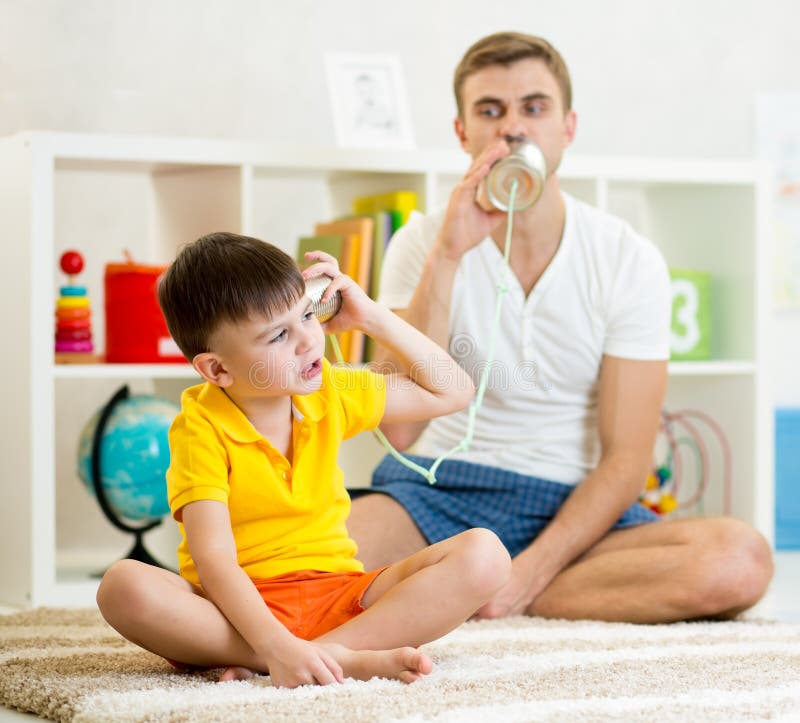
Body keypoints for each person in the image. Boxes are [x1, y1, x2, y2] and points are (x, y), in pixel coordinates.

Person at [347, 31, 773, 624]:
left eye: (535, 107)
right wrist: (448, 255)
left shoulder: (627, 257)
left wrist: (528, 572)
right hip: (436, 497)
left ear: (567, 128)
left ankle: (479, 589)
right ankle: (477, 580)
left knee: (739, 560)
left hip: (575, 513)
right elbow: (398, 428)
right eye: (490, 111)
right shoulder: (421, 243)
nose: (513, 128)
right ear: (462, 132)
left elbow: (627, 461)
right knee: (308, 558)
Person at [96, 232, 510, 688]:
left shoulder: (329, 391)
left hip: (340, 591)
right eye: (278, 335)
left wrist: (371, 316)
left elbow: (454, 389)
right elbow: (213, 561)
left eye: (308, 315)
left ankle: (321, 653)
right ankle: (305, 655)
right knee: (123, 586)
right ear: (217, 370)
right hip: (237, 609)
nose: (308, 341)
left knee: (486, 555)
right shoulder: (200, 427)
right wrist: (274, 640)